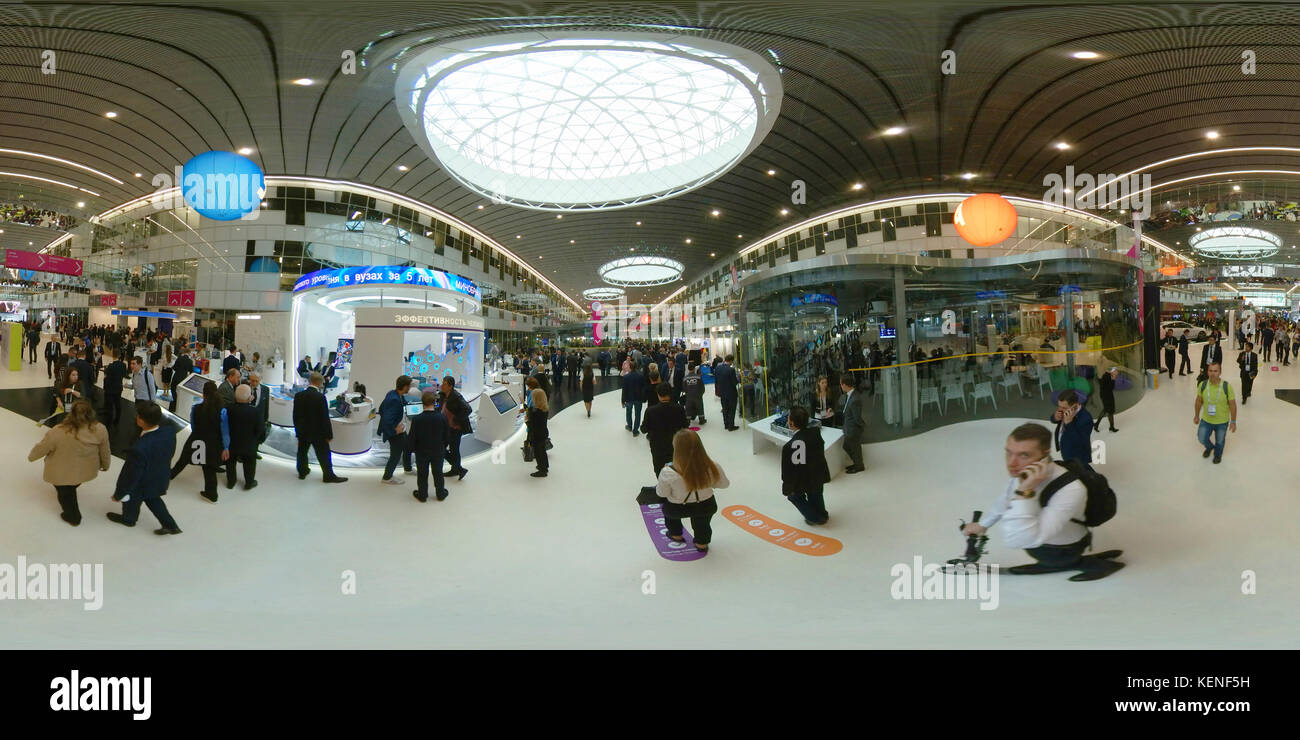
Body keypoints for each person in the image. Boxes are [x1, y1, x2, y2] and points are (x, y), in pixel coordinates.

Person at [961, 423, 1123, 581]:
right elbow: (1005, 500)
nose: (1011, 463)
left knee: (1046, 553)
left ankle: (1084, 563)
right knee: (1028, 526)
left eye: (1024, 455)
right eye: (1009, 453)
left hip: (1062, 548)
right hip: (1048, 538)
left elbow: (1019, 539)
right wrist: (983, 525)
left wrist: (1025, 492)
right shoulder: (1027, 472)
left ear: (1045, 454)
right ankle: (1072, 561)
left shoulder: (1070, 488)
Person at [27, 399, 111, 526]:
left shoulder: (58, 431)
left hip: (62, 471)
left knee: (65, 491)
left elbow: (42, 447)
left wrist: (32, 457)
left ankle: (73, 517)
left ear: (71, 413)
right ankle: (72, 486)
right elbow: (105, 450)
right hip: (86, 469)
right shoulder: (100, 429)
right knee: (73, 483)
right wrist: (106, 464)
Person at [107, 401, 182, 536]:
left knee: (132, 497)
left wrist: (120, 493)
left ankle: (129, 519)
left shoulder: (140, 449)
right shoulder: (169, 431)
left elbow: (130, 475)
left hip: (143, 481)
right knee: (153, 500)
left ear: (141, 420)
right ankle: (170, 525)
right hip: (159, 476)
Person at [655, 429, 729, 553]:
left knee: (670, 515)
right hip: (706, 505)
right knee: (703, 524)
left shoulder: (668, 472)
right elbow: (724, 484)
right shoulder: (713, 466)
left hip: (676, 508)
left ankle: (675, 534)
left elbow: (662, 493)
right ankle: (702, 543)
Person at [172, 380, 230, 503]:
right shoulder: (222, 411)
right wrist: (226, 447)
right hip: (214, 443)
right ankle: (211, 494)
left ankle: (168, 476)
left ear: (203, 394)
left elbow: (193, 426)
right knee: (209, 469)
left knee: (183, 460)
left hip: (196, 439)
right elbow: (225, 431)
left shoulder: (196, 408)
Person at [293, 372, 347, 482]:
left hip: (303, 432)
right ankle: (328, 476)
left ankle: (302, 472)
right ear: (319, 383)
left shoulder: (299, 396)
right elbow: (324, 418)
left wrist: (298, 432)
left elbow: (295, 416)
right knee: (324, 454)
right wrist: (329, 434)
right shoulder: (320, 397)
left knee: (302, 452)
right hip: (318, 433)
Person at [781, 406, 830, 526]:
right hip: (818, 473)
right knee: (816, 494)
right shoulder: (815, 432)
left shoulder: (789, 446)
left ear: (791, 423)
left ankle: (815, 517)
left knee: (795, 497)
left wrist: (788, 488)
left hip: (802, 480)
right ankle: (822, 514)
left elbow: (788, 471)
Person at [407, 390, 449, 502]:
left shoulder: (417, 419)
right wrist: (443, 447)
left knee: (422, 474)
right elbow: (446, 436)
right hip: (438, 451)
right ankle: (440, 494)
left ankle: (422, 495)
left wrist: (413, 450)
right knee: (438, 472)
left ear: (422, 402)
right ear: (434, 402)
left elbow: (412, 437)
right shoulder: (442, 418)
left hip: (422, 452)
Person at [641, 382, 689, 477]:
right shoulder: (679, 409)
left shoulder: (650, 411)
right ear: (670, 393)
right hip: (676, 445)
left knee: (659, 469)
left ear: (658, 394)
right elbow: (685, 425)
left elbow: (644, 429)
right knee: (676, 467)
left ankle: (663, 487)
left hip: (658, 446)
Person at [1193, 362, 1236, 464]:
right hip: (1206, 419)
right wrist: (1196, 415)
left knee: (1220, 441)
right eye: (1210, 371)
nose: (1213, 373)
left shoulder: (1227, 386)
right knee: (1201, 437)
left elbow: (1232, 405)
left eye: (1215, 371)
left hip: (1222, 421)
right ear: (1207, 372)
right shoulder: (1202, 385)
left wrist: (1233, 421)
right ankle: (1209, 447)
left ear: (1220, 372)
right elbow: (1198, 401)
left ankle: (1217, 454)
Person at [378, 375, 414, 484]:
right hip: (395, 434)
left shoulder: (395, 394)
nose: (410, 388)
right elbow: (387, 419)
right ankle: (387, 477)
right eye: (409, 386)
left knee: (408, 446)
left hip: (401, 431)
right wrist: (394, 430)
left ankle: (407, 468)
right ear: (405, 386)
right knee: (395, 455)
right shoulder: (394, 400)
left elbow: (381, 408)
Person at [225, 384, 260, 490]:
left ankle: (231, 482)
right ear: (249, 397)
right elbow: (259, 429)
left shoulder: (228, 409)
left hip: (232, 443)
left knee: (230, 463)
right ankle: (249, 482)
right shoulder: (255, 411)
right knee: (249, 463)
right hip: (249, 444)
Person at [439, 376, 472, 481]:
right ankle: (458, 468)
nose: (442, 385)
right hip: (446, 428)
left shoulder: (456, 396)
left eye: (444, 384)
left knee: (454, 450)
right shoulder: (443, 395)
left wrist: (456, 420)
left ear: (450, 386)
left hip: (455, 429)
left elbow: (468, 409)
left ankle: (456, 469)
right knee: (442, 448)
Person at [1051, 389, 1094, 468]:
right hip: (1065, 446)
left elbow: (1080, 442)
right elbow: (1053, 419)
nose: (1060, 410)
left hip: (1077, 453)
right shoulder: (1064, 410)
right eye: (1059, 406)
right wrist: (1055, 417)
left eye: (1063, 407)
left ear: (1075, 405)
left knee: (1082, 470)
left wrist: (1069, 423)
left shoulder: (1086, 419)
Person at [839, 374, 865, 473]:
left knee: (854, 448)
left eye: (841, 384)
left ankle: (859, 466)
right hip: (848, 428)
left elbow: (857, 418)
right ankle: (857, 463)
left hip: (853, 429)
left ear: (845, 384)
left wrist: (859, 428)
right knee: (848, 446)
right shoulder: (849, 395)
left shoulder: (855, 399)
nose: (840, 386)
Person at [524, 376, 549, 477]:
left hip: (536, 434)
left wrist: (527, 419)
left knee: (538, 452)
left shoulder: (534, 412)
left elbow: (530, 424)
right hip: (543, 432)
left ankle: (542, 470)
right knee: (542, 451)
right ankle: (544, 466)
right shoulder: (544, 408)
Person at [714, 355, 740, 430]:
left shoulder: (717, 368)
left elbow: (716, 381)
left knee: (725, 409)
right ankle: (731, 426)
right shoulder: (731, 370)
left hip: (722, 392)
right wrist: (738, 379)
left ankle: (726, 424)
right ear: (731, 361)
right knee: (732, 409)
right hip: (731, 393)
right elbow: (734, 382)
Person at [621, 361, 647, 437]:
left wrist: (623, 400)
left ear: (630, 367)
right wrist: (644, 398)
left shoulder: (626, 377)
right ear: (636, 367)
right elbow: (643, 388)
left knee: (628, 413)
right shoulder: (641, 376)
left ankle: (629, 426)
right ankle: (635, 431)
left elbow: (624, 390)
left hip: (629, 398)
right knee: (638, 414)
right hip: (638, 398)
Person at [1091, 367, 1119, 433]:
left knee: (1107, 410)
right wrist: (1113, 379)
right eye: (1116, 372)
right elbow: (1110, 388)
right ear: (1113, 371)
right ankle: (1110, 427)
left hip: (1106, 395)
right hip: (1106, 396)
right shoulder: (1108, 376)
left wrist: (1113, 378)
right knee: (1109, 410)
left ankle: (1099, 425)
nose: (1117, 373)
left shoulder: (1107, 375)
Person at [169, 346, 194, 413]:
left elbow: (174, 367)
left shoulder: (179, 358)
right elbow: (191, 371)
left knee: (173, 389)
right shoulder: (190, 361)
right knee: (181, 391)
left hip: (176, 376)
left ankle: (175, 400)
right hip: (183, 378)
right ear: (189, 353)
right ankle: (179, 403)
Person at [1237, 341, 1259, 406]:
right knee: (1243, 385)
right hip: (1244, 372)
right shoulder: (1242, 354)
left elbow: (1255, 365)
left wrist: (1255, 373)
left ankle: (1248, 392)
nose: (1246, 348)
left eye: (1247, 347)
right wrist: (1242, 359)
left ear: (1251, 348)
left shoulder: (1254, 355)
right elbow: (1238, 361)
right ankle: (1244, 398)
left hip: (1251, 372)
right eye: (1245, 346)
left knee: (1250, 383)